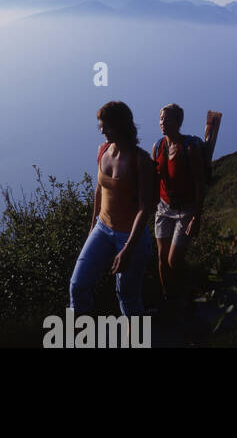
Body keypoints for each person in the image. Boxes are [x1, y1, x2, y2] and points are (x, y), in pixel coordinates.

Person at [68, 101, 154, 316]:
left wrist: (128, 249)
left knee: (127, 296)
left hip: (131, 236)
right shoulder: (103, 150)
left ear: (122, 125)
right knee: (78, 286)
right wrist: (92, 228)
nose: (102, 130)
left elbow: (145, 208)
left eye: (107, 126)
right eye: (100, 126)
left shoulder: (140, 160)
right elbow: (99, 191)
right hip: (102, 228)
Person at [153, 103, 205, 310]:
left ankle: (191, 292)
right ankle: (169, 298)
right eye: (161, 119)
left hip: (185, 211)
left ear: (178, 122)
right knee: (161, 258)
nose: (162, 123)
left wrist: (197, 217)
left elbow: (200, 183)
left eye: (167, 119)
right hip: (164, 208)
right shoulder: (158, 146)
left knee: (174, 260)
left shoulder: (189, 148)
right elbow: (154, 178)